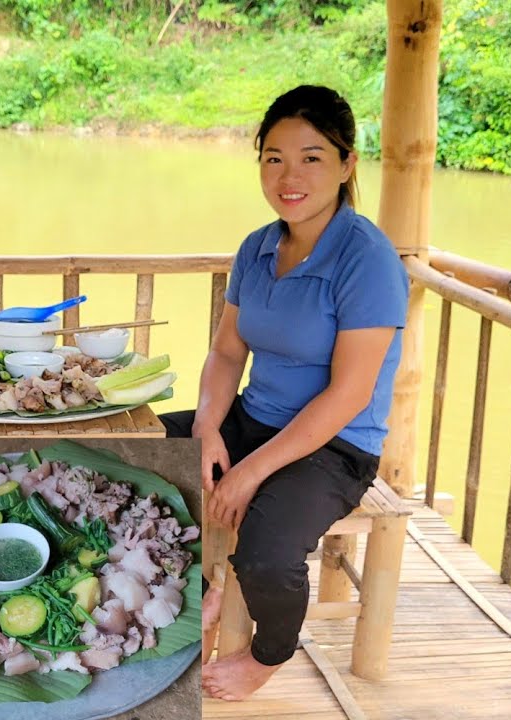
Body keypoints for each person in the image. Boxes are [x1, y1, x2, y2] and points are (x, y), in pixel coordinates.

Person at [160, 85, 409, 701]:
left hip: (336, 444)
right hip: (252, 418)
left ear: (347, 164)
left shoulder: (367, 259)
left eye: (311, 157)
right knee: (138, 452)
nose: (289, 175)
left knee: (268, 552)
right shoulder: (257, 247)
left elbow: (349, 395)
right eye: (274, 157)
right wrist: (209, 429)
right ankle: (197, 585)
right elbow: (225, 353)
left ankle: (270, 652)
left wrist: (248, 473)